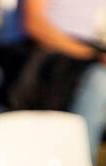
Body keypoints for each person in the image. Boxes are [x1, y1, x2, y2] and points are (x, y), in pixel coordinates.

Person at [22, 0, 106, 155]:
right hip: (54, 61)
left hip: (93, 53)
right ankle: (79, 165)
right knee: (100, 82)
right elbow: (34, 24)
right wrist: (91, 54)